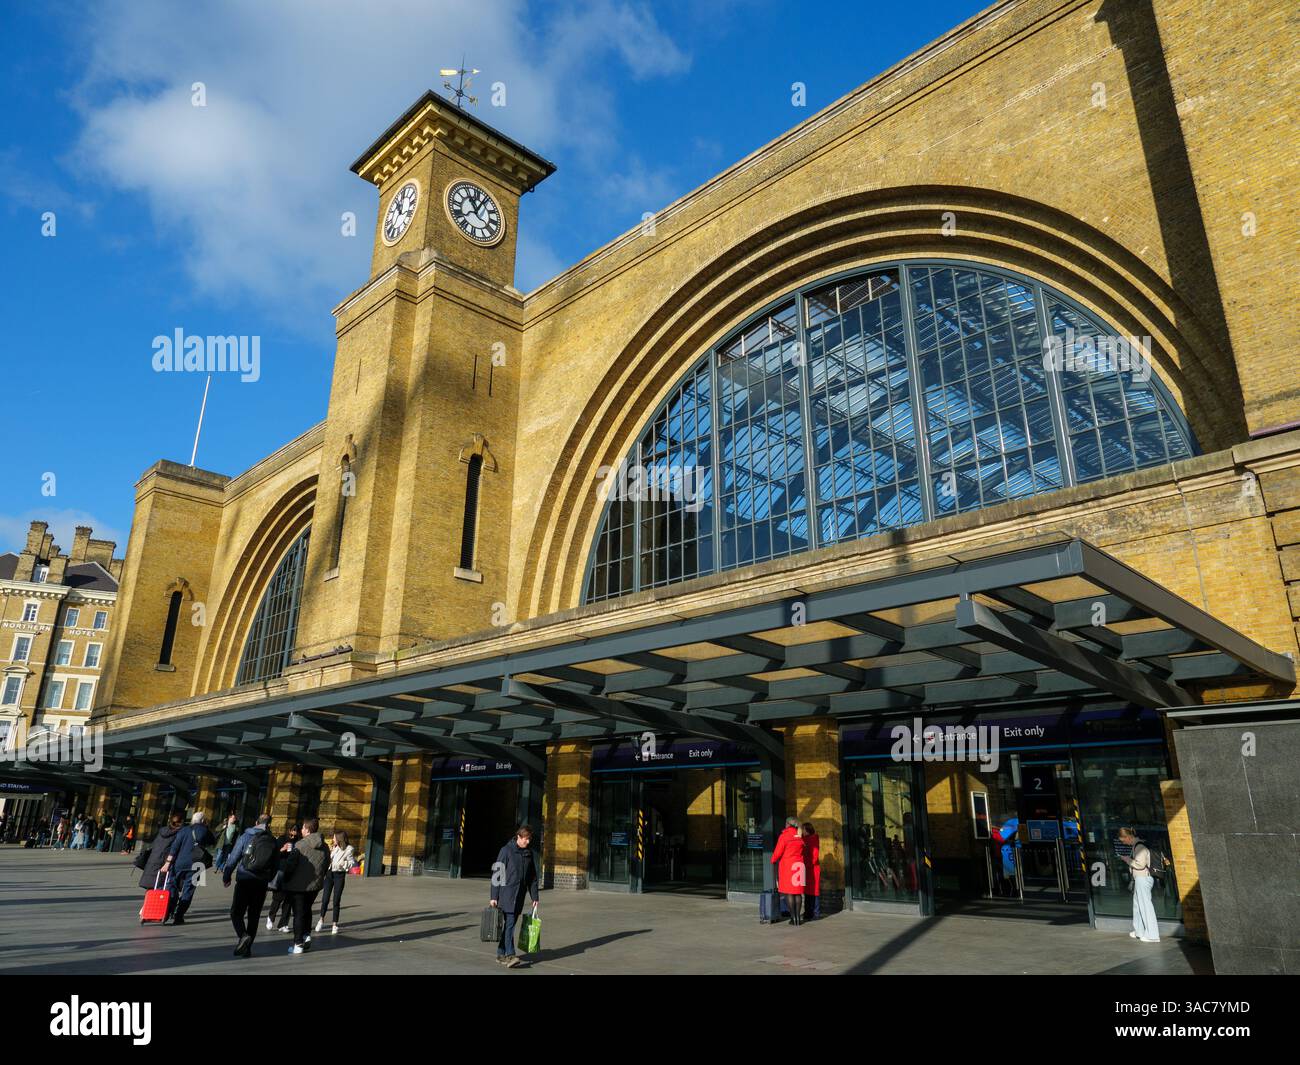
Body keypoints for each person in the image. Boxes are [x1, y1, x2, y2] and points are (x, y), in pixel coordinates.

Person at [222, 813, 277, 958]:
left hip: (245, 879)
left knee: (236, 912)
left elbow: (234, 857)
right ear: (268, 824)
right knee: (254, 916)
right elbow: (276, 864)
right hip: (261, 883)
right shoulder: (272, 840)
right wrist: (268, 879)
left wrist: (226, 876)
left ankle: (243, 935)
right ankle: (247, 949)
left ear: (256, 822)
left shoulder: (246, 836)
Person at [489, 824, 540, 968]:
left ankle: (500, 953)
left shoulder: (528, 854)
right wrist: (494, 896)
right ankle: (511, 955)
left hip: (520, 896)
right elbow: (497, 874)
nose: (528, 842)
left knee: (509, 926)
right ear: (518, 837)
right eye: (526, 839)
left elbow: (532, 878)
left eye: (529, 839)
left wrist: (535, 897)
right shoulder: (506, 851)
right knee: (510, 924)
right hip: (506, 895)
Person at [281, 818, 329, 955]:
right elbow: (326, 865)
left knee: (298, 914)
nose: (301, 830)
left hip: (298, 886)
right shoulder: (324, 846)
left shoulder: (300, 845)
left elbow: (290, 866)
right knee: (307, 910)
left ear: (307, 829)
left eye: (302, 827)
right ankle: (306, 935)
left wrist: (285, 878)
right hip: (315, 885)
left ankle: (298, 944)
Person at [161, 812, 216, 925]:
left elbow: (174, 848)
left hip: (179, 863)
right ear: (203, 821)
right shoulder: (205, 830)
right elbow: (213, 843)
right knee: (188, 890)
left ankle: (167, 910)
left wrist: (167, 863)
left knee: (172, 885)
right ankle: (179, 916)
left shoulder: (184, 830)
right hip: (197, 865)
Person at [1118, 827, 1160, 943]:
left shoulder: (1139, 846)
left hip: (1143, 878)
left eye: (1123, 840)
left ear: (1128, 837)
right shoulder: (1136, 846)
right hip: (1140, 878)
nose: (1123, 842)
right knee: (1138, 906)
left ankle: (1152, 935)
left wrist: (1127, 859)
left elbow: (1140, 865)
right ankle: (1139, 931)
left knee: (1145, 906)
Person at [316, 829, 357, 935]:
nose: (332, 839)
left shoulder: (349, 849)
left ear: (339, 838)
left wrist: (342, 865)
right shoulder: (333, 847)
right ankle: (321, 920)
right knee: (325, 899)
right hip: (329, 874)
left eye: (334, 837)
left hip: (339, 875)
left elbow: (352, 863)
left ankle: (335, 924)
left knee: (336, 900)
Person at [139, 814, 184, 902]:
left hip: (153, 861)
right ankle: (159, 907)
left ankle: (147, 907)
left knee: (151, 886)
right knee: (163, 886)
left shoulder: (162, 831)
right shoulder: (178, 834)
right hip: (164, 863)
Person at [771, 817, 806, 925]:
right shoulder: (800, 836)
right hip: (799, 865)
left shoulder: (784, 836)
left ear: (787, 824)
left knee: (789, 893)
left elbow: (778, 852)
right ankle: (798, 919)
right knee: (798, 893)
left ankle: (793, 918)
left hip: (788, 866)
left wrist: (773, 860)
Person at [266, 825, 301, 933]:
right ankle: (271, 918)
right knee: (278, 898)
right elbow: (274, 855)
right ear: (288, 831)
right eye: (291, 832)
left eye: (295, 832)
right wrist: (282, 849)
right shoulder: (281, 839)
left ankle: (283, 924)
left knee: (289, 900)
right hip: (281, 872)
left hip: (292, 873)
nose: (293, 835)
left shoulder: (299, 842)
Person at [801, 821, 821, 919]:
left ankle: (816, 913)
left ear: (807, 830)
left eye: (803, 829)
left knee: (814, 892)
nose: (802, 831)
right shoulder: (803, 839)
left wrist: (807, 864)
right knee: (807, 892)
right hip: (807, 869)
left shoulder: (813, 839)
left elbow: (815, 856)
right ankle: (808, 912)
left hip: (813, 869)